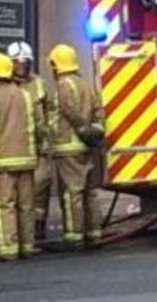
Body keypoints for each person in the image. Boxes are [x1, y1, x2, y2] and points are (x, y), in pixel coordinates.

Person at [0, 53, 44, 260]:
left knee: (5, 205)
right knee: (26, 204)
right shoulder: (27, 96)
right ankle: (28, 245)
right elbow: (40, 127)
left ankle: (9, 248)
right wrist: (37, 151)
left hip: (1, 161)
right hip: (27, 160)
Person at [46, 43, 104, 247]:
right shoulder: (86, 84)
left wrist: (82, 130)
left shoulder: (63, 84)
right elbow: (98, 110)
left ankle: (74, 234)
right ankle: (94, 231)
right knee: (90, 192)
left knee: (73, 193)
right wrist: (95, 131)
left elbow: (69, 110)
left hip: (68, 146)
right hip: (86, 147)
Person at [7, 40, 54, 242]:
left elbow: (51, 111)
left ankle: (38, 224)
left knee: (41, 185)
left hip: (38, 146)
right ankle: (17, 228)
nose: (22, 66)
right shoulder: (5, 84)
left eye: (25, 62)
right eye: (17, 62)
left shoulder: (39, 84)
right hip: (15, 145)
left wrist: (48, 136)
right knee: (14, 191)